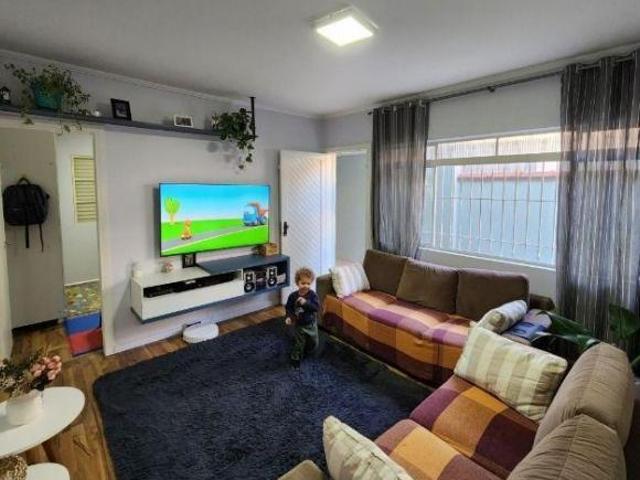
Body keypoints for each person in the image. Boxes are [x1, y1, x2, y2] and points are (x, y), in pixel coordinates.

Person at [285, 267, 320, 367]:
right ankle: (295, 359)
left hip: (311, 324)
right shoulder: (293, 296)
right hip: (299, 324)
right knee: (299, 343)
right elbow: (289, 308)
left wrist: (305, 303)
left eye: (308, 283)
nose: (306, 286)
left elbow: (316, 308)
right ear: (297, 283)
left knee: (314, 343)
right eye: (303, 283)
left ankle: (307, 350)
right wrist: (289, 317)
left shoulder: (312, 295)